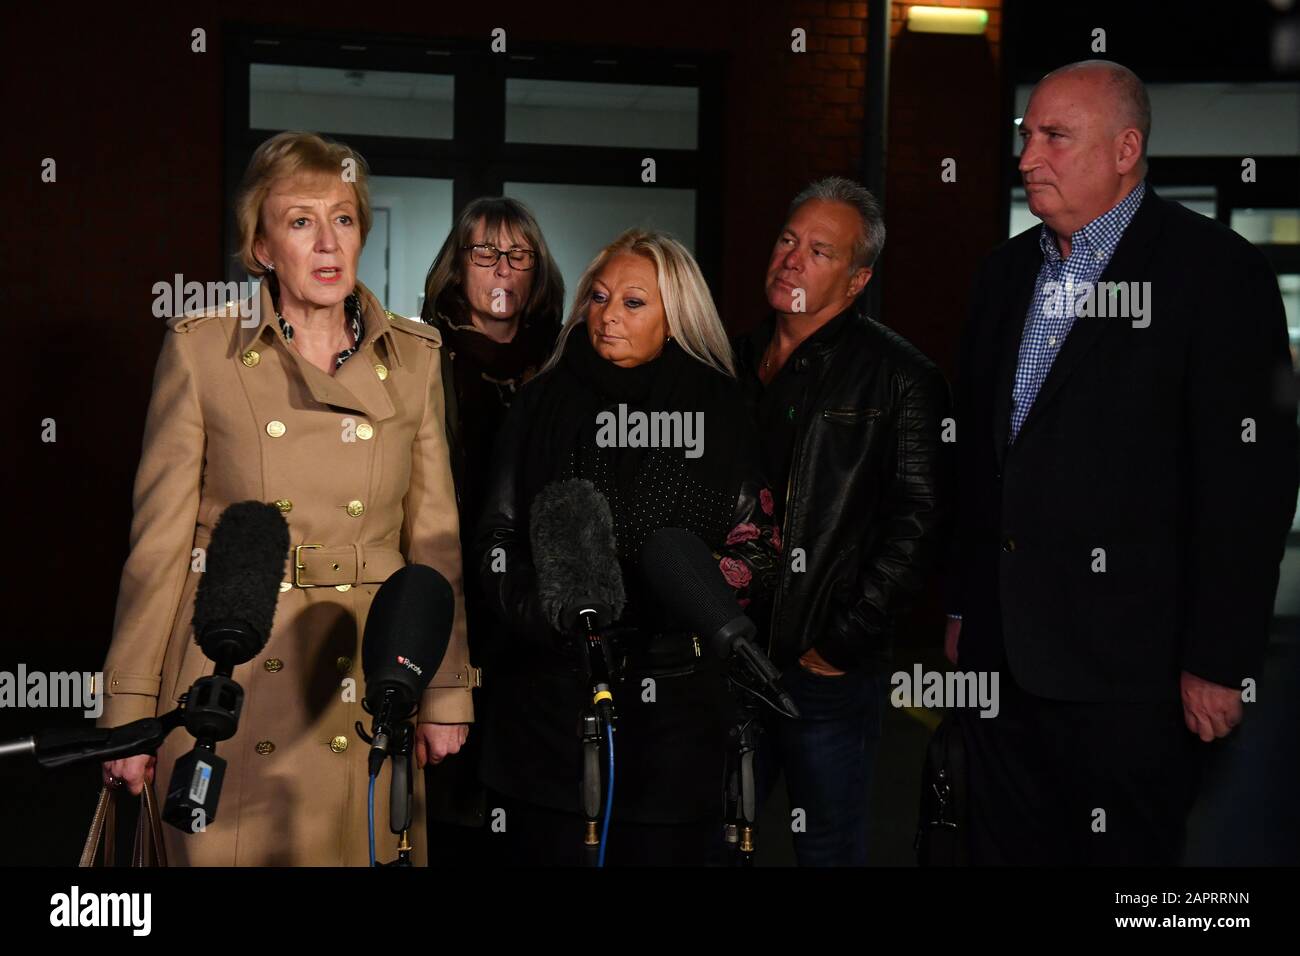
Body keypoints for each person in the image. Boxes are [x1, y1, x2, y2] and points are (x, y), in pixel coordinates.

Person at [947, 60, 1299, 864]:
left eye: (1055, 137)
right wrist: (966, 607)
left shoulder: (1217, 273)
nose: (1028, 156)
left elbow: (1250, 483)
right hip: (1003, 660)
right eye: (1025, 135)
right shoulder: (1005, 273)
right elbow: (982, 457)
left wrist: (1218, 661)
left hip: (1137, 675)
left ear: (1125, 149)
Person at [97, 130, 476, 866]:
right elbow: (160, 549)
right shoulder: (202, 350)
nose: (328, 242)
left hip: (373, 674)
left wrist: (448, 690)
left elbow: (435, 542)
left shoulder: (416, 356)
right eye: (300, 221)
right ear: (262, 247)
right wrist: (129, 713)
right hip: (232, 680)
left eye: (343, 218)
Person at [475, 229, 780, 865]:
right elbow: (496, 541)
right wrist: (553, 613)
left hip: (678, 718)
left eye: (634, 303)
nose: (609, 315)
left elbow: (758, 552)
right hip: (549, 708)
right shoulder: (539, 403)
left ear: (676, 317)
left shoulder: (724, 411)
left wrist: (671, 600)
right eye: (600, 297)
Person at [733, 176, 951, 866]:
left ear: (856, 281)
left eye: (820, 251)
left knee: (825, 846)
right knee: (716, 837)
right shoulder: (732, 361)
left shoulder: (900, 378)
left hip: (820, 668)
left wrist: (842, 642)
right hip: (730, 655)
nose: (792, 259)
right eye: (788, 240)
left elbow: (920, 525)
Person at [418, 197, 563, 861]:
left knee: (531, 800)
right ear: (458, 268)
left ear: (537, 272)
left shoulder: (565, 364)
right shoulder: (424, 359)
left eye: (519, 255)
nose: (502, 268)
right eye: (485, 253)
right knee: (450, 794)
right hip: (453, 601)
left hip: (537, 614)